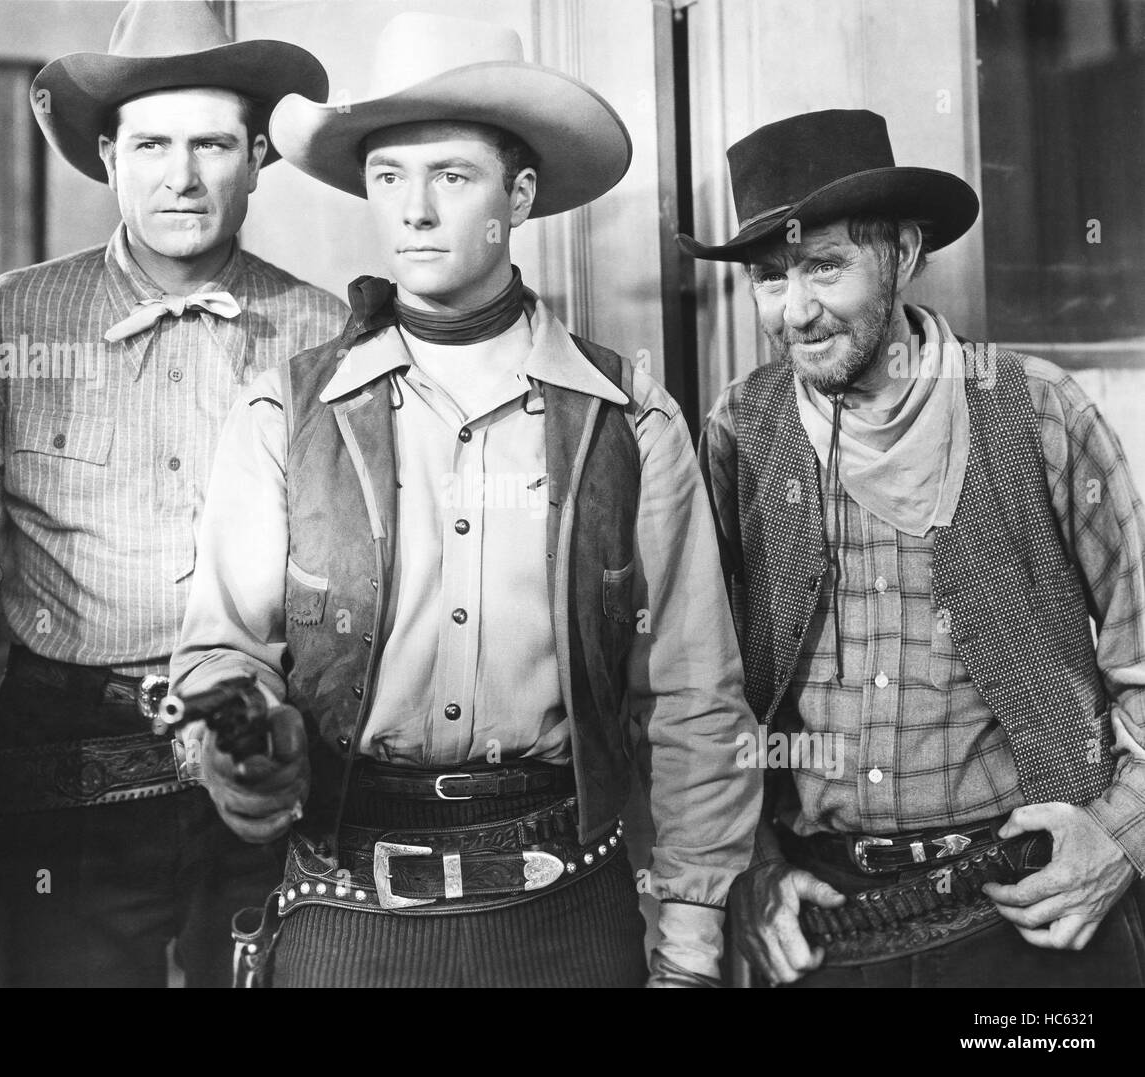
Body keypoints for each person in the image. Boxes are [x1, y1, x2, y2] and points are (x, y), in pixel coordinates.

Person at [169, 11, 760, 988]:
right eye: (390, 177)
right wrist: (232, 733)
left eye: (451, 176)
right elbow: (223, 647)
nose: (415, 210)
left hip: (567, 916)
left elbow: (695, 697)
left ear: (519, 193)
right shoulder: (281, 413)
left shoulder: (633, 422)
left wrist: (690, 947)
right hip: (344, 915)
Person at [683, 108, 1145, 987]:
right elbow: (696, 697)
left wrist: (1122, 835)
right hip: (830, 929)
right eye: (772, 276)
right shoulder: (742, 431)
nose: (798, 309)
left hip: (1038, 917)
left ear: (902, 251)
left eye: (824, 266)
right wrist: (750, 868)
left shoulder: (1035, 409)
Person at [0, 1, 346, 987]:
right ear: (108, 153)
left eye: (212, 144)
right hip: (68, 771)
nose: (180, 176)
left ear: (258, 155)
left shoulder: (324, 330)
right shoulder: (10, 318)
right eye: (152, 144)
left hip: (270, 753)